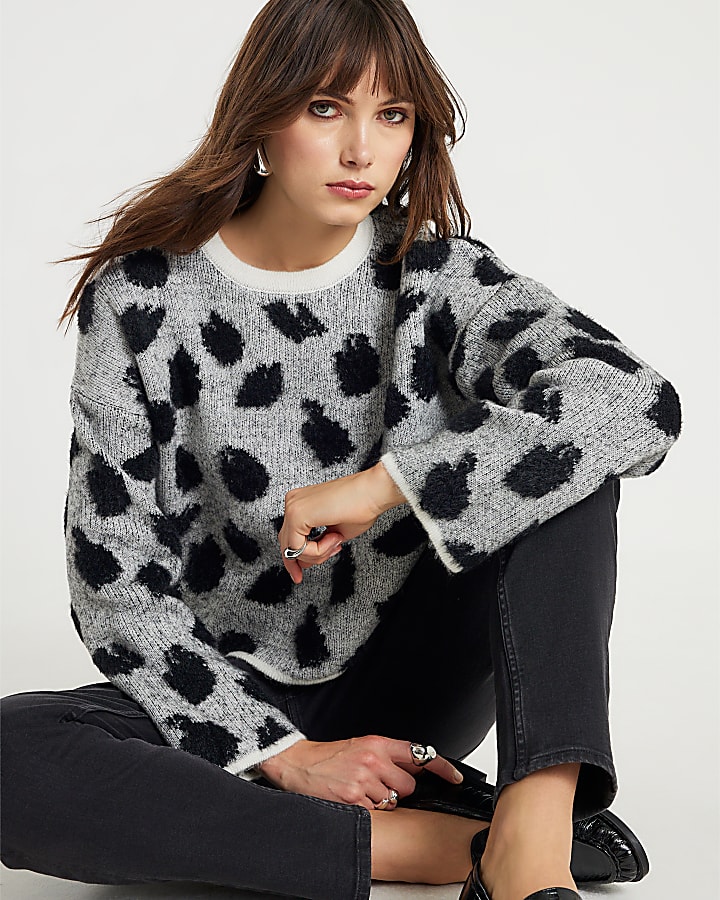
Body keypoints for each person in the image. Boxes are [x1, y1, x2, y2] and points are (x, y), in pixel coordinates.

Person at [0, 2, 681, 899]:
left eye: (392, 115)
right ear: (260, 116)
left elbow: (635, 401)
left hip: (410, 670)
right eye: (326, 108)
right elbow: (115, 586)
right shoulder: (140, 298)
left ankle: (535, 827)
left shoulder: (440, 278)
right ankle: (439, 844)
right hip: (222, 693)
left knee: (566, 467)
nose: (362, 149)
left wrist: (383, 487)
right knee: (11, 755)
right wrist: (284, 753)